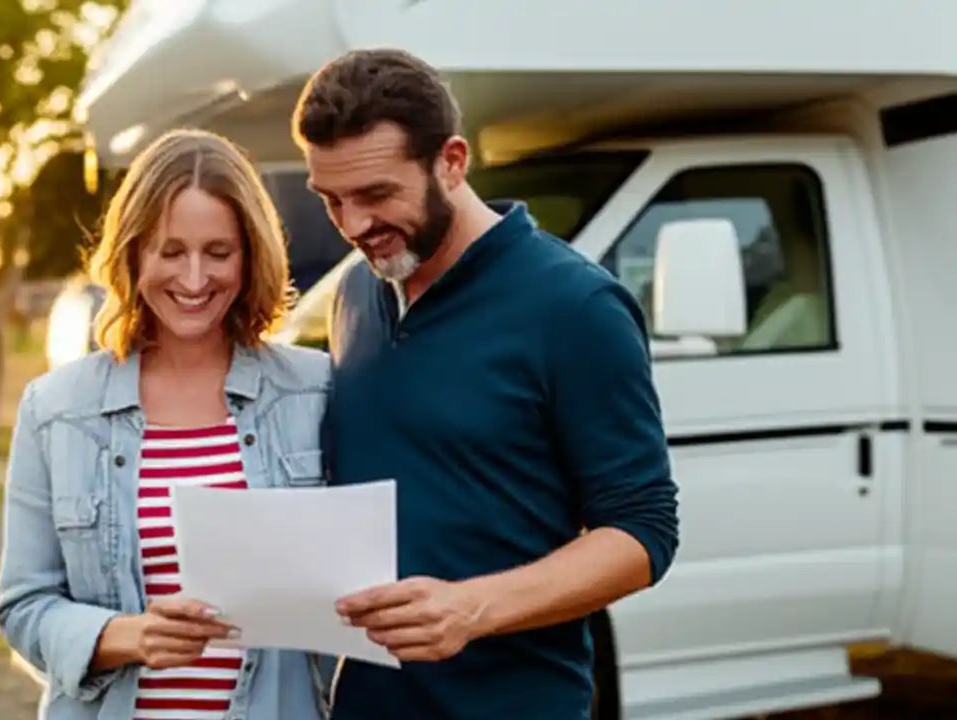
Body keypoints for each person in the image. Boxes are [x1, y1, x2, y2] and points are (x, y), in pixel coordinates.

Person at [291, 49, 681, 719]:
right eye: (332, 201)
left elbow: (643, 532)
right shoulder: (356, 291)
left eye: (378, 195)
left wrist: (470, 608)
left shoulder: (575, 306)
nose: (354, 226)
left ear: (452, 161)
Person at [0, 127, 332, 720]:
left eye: (219, 253)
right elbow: (23, 607)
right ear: (132, 252)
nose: (195, 279)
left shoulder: (317, 390)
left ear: (251, 255)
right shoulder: (56, 410)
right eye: (171, 252)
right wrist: (127, 636)